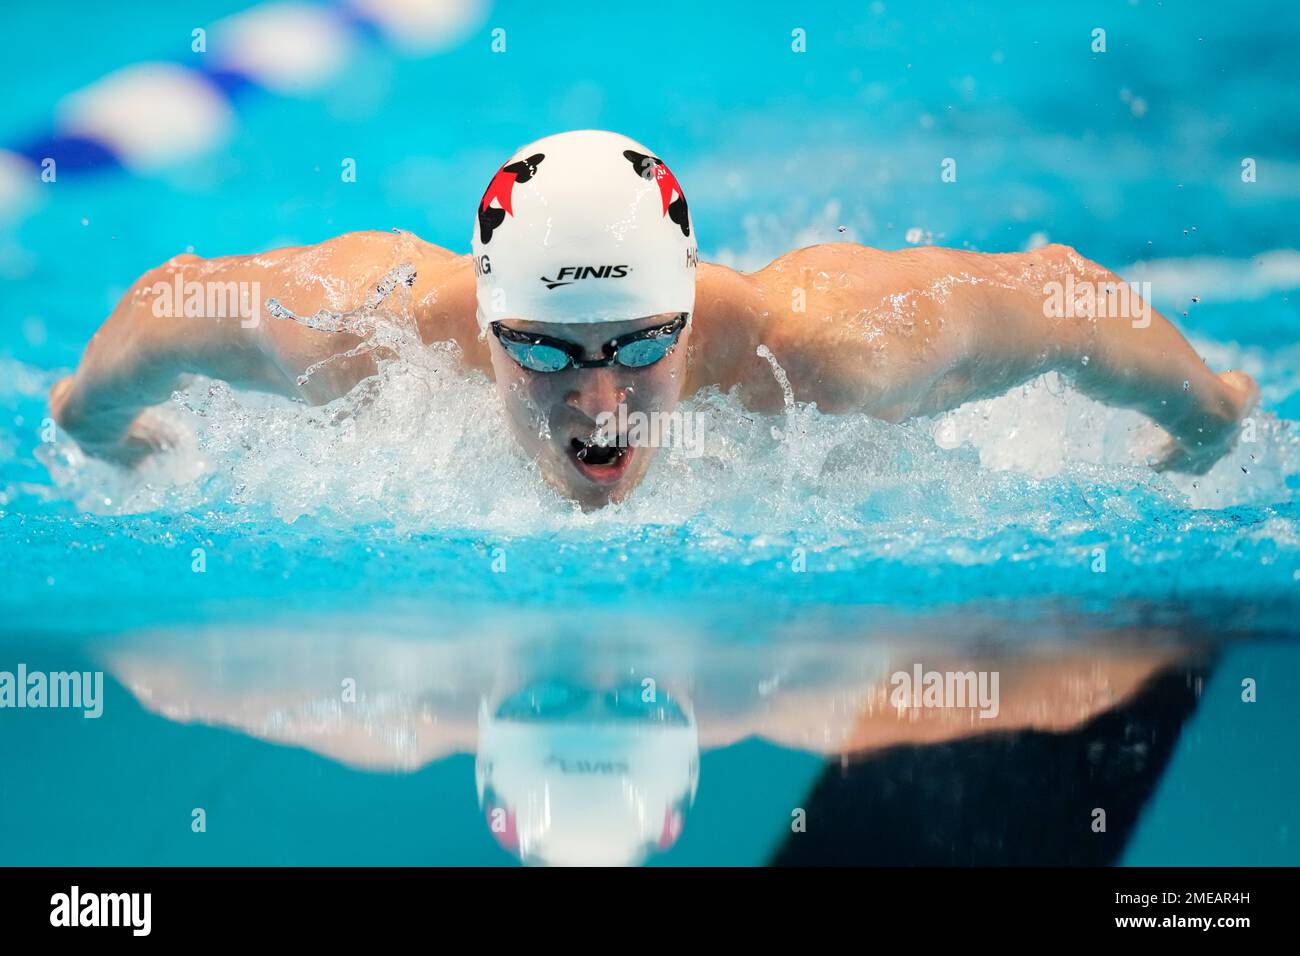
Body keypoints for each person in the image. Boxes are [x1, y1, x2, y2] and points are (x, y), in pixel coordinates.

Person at [49, 129, 1259, 509]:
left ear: (685, 312)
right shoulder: (353, 332)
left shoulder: (830, 349)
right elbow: (165, 311)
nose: (599, 401)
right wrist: (102, 428)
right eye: (542, 351)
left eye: (638, 344)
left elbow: (1054, 299)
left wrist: (1205, 419)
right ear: (483, 322)